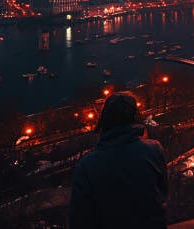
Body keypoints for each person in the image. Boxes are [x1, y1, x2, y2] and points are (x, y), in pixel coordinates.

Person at [69, 92, 168, 229]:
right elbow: (162, 194)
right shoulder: (153, 150)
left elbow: (79, 218)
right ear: (135, 116)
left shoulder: (87, 165)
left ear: (104, 120)